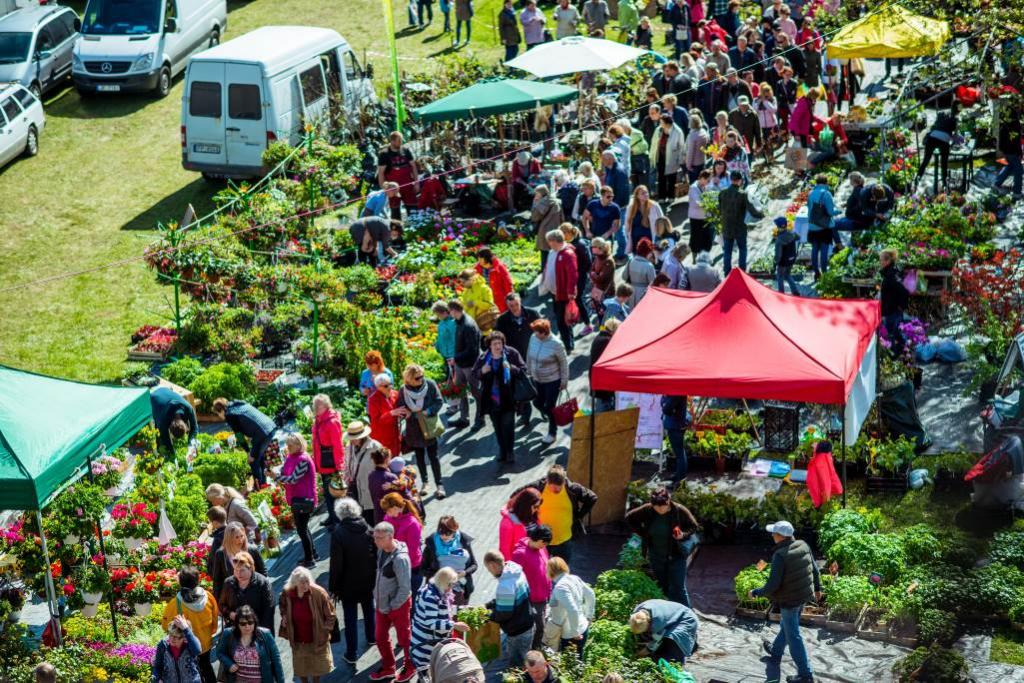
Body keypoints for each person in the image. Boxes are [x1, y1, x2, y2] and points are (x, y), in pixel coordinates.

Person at [749, 521, 821, 683]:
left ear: (781, 536)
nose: (772, 535)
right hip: (803, 595)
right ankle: (776, 652)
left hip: (790, 600)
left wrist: (756, 592)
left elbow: (772, 585)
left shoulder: (780, 555)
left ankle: (806, 675)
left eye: (774, 533)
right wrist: (818, 588)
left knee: (793, 635)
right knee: (787, 626)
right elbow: (815, 569)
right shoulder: (803, 545)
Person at [626, 487, 700, 606]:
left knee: (678, 587)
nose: (660, 509)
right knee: (663, 586)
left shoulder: (679, 510)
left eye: (663, 506)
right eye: (657, 506)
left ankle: (687, 612)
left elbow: (693, 526)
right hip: (656, 556)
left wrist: (683, 535)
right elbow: (629, 518)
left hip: (676, 555)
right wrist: (644, 534)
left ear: (668, 501)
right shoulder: (647, 509)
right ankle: (669, 611)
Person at [514, 465, 597, 563]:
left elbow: (592, 498)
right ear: (547, 481)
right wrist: (528, 517)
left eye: (558, 488)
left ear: (564, 482)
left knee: (562, 569)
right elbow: (516, 495)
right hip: (541, 541)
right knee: (542, 568)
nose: (555, 491)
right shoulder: (538, 487)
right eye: (552, 488)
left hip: (564, 540)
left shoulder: (572, 489)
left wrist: (578, 516)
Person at [330, 497, 377, 666]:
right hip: (368, 579)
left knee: (350, 618)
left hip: (348, 584)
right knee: (369, 609)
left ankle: (352, 653)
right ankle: (372, 637)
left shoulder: (338, 533)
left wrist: (333, 587)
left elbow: (336, 564)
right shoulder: (367, 528)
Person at [474, 331, 527, 463]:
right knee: (497, 427)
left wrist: (511, 368)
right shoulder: (483, 358)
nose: (498, 346)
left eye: (500, 343)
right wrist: (482, 371)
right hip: (491, 400)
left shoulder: (511, 353)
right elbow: (475, 373)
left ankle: (510, 452)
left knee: (508, 426)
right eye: (495, 344)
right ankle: (502, 450)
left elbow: (523, 370)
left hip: (509, 398)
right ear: (489, 346)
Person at [394, 363, 446, 498]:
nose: (421, 379)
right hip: (414, 429)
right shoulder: (403, 390)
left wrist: (428, 411)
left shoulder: (430, 384)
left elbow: (439, 401)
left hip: (429, 426)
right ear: (409, 379)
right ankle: (425, 483)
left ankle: (439, 485)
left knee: (434, 457)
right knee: (419, 457)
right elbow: (401, 408)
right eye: (417, 378)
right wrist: (408, 414)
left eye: (422, 376)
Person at [372, 520, 415, 682]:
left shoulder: (401, 559)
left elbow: (405, 588)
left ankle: (410, 666)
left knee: (404, 639)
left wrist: (393, 605)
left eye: (380, 538)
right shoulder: (381, 550)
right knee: (380, 637)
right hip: (382, 604)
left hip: (398, 605)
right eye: (375, 537)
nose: (376, 541)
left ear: (390, 537)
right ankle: (389, 668)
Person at [161, 567, 218, 683]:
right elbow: (215, 619)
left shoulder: (174, 604)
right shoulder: (209, 597)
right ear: (198, 580)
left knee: (190, 672)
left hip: (186, 647)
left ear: (180, 582)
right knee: (206, 667)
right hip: (205, 644)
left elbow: (166, 626)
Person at [279, 567, 336, 683]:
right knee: (301, 668)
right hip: (298, 640)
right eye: (302, 582)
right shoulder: (287, 593)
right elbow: (282, 606)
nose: (305, 585)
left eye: (307, 581)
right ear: (294, 583)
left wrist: (324, 630)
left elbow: (331, 615)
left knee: (317, 668)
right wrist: (284, 615)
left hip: (316, 638)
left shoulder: (319, 593)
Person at [411, 567, 470, 676]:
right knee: (426, 676)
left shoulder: (440, 589)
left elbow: (446, 609)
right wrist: (454, 625)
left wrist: (462, 610)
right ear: (443, 582)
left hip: (433, 642)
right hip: (425, 645)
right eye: (450, 584)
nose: (452, 588)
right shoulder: (430, 596)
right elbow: (431, 623)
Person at [484, 550, 535, 668]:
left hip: (517, 630)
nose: (489, 572)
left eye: (488, 569)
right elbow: (508, 600)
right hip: (527, 622)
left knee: (517, 665)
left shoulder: (505, 585)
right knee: (526, 658)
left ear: (493, 565)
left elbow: (504, 613)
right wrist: (488, 605)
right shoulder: (517, 572)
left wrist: (486, 615)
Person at [212, 398, 276, 490]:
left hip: (262, 433)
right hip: (270, 426)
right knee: (259, 457)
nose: (219, 416)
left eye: (218, 414)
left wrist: (248, 452)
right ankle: (263, 484)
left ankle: (259, 488)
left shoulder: (229, 414)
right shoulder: (238, 404)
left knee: (253, 461)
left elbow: (239, 435)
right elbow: (249, 420)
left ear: (221, 411)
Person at [525, 319, 569, 445]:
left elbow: (564, 363)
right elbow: (529, 354)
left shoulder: (556, 344)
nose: (535, 334)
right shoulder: (533, 338)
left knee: (550, 407)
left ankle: (552, 433)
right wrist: (528, 370)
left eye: (538, 332)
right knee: (537, 402)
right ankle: (551, 415)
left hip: (552, 380)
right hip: (537, 379)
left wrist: (564, 381)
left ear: (545, 332)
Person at [214, 605, 284, 683]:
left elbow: (276, 660)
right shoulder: (228, 634)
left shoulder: (265, 634)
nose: (247, 626)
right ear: (237, 624)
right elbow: (219, 652)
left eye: (250, 622)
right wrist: (229, 664)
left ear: (255, 622)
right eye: (243, 623)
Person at [278, 433, 318, 568]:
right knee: (303, 527)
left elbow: (293, 479)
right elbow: (284, 472)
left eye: (290, 445)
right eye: (287, 444)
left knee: (301, 530)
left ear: (299, 445)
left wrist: (276, 477)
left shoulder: (303, 460)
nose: (287, 447)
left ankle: (310, 559)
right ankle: (313, 554)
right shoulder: (290, 457)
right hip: (297, 498)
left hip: (304, 499)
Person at [512, 524, 553, 650]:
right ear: (539, 540)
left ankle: (535, 649)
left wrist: (549, 591)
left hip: (543, 597)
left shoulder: (541, 549)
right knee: (537, 628)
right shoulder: (520, 554)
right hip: (531, 600)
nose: (545, 546)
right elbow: (514, 579)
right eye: (544, 543)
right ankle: (531, 652)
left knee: (540, 627)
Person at [422, 515, 478, 604]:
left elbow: (474, 565)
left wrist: (464, 573)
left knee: (460, 612)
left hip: (461, 589)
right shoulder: (431, 543)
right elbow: (422, 569)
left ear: (454, 530)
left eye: (448, 534)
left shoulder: (463, 540)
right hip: (438, 591)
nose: (444, 536)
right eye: (441, 533)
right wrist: (442, 575)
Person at [543, 557, 595, 654]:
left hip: (570, 634)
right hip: (583, 627)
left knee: (568, 662)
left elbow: (572, 609)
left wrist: (575, 632)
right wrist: (589, 616)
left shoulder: (560, 587)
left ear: (551, 571)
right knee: (578, 660)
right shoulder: (574, 578)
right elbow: (590, 594)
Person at [381, 492, 425, 600]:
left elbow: (412, 551)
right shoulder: (388, 518)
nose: (386, 513)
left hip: (411, 568)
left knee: (410, 601)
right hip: (394, 566)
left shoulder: (412, 524)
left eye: (388, 510)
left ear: (396, 508)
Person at [719, 170, 763, 274]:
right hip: (740, 226)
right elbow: (752, 210)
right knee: (742, 249)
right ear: (740, 180)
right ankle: (742, 271)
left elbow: (720, 209)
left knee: (727, 251)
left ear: (731, 180)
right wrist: (761, 214)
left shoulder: (722, 193)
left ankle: (727, 272)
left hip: (726, 226)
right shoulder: (743, 194)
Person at [310, 394, 345, 527]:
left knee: (334, 494)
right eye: (315, 405)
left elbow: (337, 445)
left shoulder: (331, 422)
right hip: (323, 463)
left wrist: (339, 466)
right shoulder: (319, 420)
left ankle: (337, 522)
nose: (316, 408)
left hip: (331, 464)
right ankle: (332, 517)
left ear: (326, 405)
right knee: (328, 493)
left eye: (319, 405)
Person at [629, 600, 700, 664]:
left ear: (648, 624)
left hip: (686, 619)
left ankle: (689, 648)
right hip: (674, 615)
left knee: (669, 654)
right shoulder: (637, 612)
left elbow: (655, 643)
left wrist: (641, 653)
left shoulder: (657, 623)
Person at [343, 420, 385, 527]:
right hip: (358, 492)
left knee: (378, 522)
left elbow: (384, 467)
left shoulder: (375, 447)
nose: (352, 440)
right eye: (350, 438)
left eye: (354, 438)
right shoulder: (349, 448)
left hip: (373, 492)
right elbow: (347, 467)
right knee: (366, 523)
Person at [219, 552, 275, 631]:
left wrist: (257, 630)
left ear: (251, 568)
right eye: (235, 570)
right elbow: (222, 605)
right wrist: (230, 614)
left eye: (242, 570)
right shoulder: (228, 583)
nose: (238, 574)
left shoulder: (263, 583)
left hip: (258, 629)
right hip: (236, 629)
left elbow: (268, 610)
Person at [449, 300, 483, 430]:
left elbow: (472, 350)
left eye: (450, 311)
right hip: (460, 364)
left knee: (477, 393)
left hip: (470, 365)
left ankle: (480, 419)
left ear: (454, 310)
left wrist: (455, 358)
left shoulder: (468, 325)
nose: (450, 314)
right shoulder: (459, 322)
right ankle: (464, 418)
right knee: (460, 390)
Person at [211, 522, 266, 599]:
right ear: (229, 538)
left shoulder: (252, 549)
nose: (240, 540)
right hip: (234, 598)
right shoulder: (220, 554)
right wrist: (218, 601)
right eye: (236, 537)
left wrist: (263, 590)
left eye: (242, 536)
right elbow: (217, 581)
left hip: (255, 594)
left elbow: (263, 571)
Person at [561, 224, 594, 335]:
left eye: (562, 234)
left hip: (580, 277)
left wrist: (578, 273)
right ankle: (581, 317)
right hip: (574, 276)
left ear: (567, 233)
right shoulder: (570, 243)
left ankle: (588, 324)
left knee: (578, 299)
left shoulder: (580, 244)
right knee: (576, 299)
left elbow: (588, 262)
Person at [377, 131, 419, 220]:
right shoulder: (384, 154)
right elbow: (381, 173)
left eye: (401, 140)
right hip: (393, 189)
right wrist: (384, 189)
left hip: (408, 186)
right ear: (392, 141)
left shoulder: (405, 150)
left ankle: (415, 227)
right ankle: (397, 229)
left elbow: (413, 167)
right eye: (398, 141)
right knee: (395, 214)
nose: (400, 143)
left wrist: (416, 183)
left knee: (413, 211)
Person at [152, 615, 202, 683]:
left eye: (176, 636)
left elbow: (198, 650)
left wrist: (186, 628)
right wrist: (157, 679)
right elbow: (158, 666)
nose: (172, 639)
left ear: (184, 637)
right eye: (170, 635)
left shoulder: (189, 643)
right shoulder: (163, 644)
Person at [806, 173, 838, 279]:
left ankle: (816, 272)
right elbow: (830, 212)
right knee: (824, 250)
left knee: (814, 249)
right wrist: (838, 211)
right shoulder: (826, 194)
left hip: (812, 226)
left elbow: (809, 207)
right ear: (826, 182)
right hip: (824, 227)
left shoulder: (810, 193)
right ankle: (825, 272)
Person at [150, 386, 198, 454]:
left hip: (165, 389)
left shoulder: (188, 408)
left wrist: (191, 443)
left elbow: (194, 427)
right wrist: (172, 453)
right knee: (158, 431)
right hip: (153, 398)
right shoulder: (163, 419)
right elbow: (165, 438)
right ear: (169, 427)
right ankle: (157, 448)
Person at [650, 114, 686, 203]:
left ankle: (671, 196)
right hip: (660, 157)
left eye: (661, 122)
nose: (660, 124)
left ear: (667, 123)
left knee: (671, 178)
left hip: (672, 158)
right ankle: (661, 197)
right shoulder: (659, 130)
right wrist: (652, 156)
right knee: (661, 178)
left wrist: (680, 160)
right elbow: (653, 143)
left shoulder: (677, 131)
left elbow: (681, 147)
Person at [500, 486, 541, 560]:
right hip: (519, 563)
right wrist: (510, 566)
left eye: (539, 506)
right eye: (535, 506)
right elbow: (504, 550)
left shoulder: (533, 515)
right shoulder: (508, 522)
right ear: (526, 505)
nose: (537, 509)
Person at [879, 248, 909, 351]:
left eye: (881, 260)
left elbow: (903, 291)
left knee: (894, 334)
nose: (880, 262)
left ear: (887, 261)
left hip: (893, 311)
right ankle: (902, 352)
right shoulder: (890, 272)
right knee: (894, 334)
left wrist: (901, 307)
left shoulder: (891, 275)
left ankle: (902, 353)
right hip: (890, 310)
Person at [367, 374, 402, 460]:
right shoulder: (373, 400)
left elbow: (401, 408)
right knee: (385, 460)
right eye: (386, 386)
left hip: (395, 434)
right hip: (382, 436)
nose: (390, 387)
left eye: (390, 384)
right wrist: (390, 414)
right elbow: (376, 420)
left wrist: (406, 412)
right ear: (378, 387)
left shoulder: (395, 394)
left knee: (396, 459)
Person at [588, 318, 619, 413]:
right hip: (602, 379)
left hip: (597, 376)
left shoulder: (599, 337)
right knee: (606, 405)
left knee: (605, 401)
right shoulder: (607, 341)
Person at [531, 185, 564, 271]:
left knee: (545, 253)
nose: (535, 195)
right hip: (556, 230)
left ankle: (545, 273)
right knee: (555, 252)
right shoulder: (556, 201)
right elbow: (562, 218)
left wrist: (535, 204)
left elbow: (534, 217)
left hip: (545, 231)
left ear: (541, 193)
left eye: (537, 193)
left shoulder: (542, 203)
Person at [623, 186, 663, 254]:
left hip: (650, 238)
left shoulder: (654, 205)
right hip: (636, 240)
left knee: (651, 256)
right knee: (637, 257)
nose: (646, 194)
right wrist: (627, 235)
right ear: (637, 196)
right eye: (643, 193)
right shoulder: (631, 207)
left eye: (646, 192)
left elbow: (662, 220)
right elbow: (627, 223)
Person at [459, 268, 498, 334]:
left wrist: (475, 303)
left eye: (464, 282)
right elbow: (464, 308)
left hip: (484, 327)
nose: (462, 284)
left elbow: (490, 305)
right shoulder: (466, 292)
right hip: (471, 328)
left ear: (471, 279)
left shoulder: (485, 289)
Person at [661, 395, 690, 484]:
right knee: (679, 453)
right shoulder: (676, 393)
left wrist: (665, 402)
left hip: (675, 426)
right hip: (676, 424)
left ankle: (680, 480)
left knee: (680, 454)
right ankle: (679, 475)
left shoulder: (676, 393)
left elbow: (666, 409)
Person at [476, 247, 514, 313]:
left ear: (486, 258)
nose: (479, 260)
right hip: (486, 301)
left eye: (480, 258)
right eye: (478, 258)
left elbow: (508, 284)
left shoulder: (499, 267)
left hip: (500, 301)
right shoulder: (477, 268)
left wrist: (511, 299)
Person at [994, 112, 1023, 199]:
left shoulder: (1004, 124)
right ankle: (1017, 192)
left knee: (1009, 167)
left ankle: (996, 184)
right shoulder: (1015, 124)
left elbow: (1001, 138)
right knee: (1019, 171)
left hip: (1007, 151)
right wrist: (1020, 153)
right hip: (1013, 151)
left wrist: (1002, 150)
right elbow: (1016, 140)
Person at [624, 238, 657, 306]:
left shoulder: (631, 261)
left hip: (630, 292)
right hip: (643, 294)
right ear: (648, 252)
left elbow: (624, 276)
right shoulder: (649, 266)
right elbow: (654, 284)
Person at [773, 216, 800, 295]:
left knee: (780, 276)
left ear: (778, 227)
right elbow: (798, 237)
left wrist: (775, 262)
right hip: (791, 259)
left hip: (783, 262)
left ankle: (781, 293)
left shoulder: (779, 240)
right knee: (787, 275)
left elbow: (778, 254)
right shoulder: (792, 234)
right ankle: (795, 291)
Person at [432, 301, 457, 379]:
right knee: (448, 373)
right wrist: (437, 346)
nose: (438, 317)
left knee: (453, 375)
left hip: (452, 354)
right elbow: (440, 337)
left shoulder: (452, 323)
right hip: (445, 353)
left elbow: (455, 339)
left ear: (445, 312)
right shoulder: (441, 322)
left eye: (438, 315)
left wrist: (454, 355)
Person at [205, 506, 226, 577]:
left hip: (220, 574)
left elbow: (214, 557)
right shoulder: (231, 531)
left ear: (215, 522)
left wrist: (210, 571)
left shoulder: (218, 538)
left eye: (210, 522)